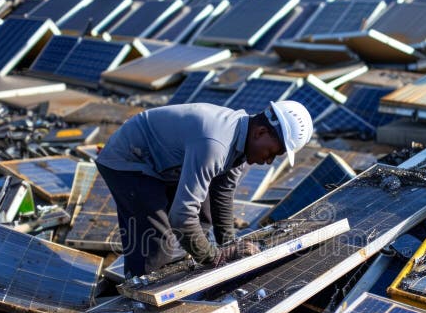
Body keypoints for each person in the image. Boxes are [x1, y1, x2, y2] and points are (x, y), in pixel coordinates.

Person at [95, 100, 314, 278]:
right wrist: (213, 258)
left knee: (203, 216)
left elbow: (222, 194)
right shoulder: (215, 145)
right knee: (155, 242)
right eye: (272, 152)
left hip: (165, 162)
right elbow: (181, 218)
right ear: (261, 132)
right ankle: (139, 295)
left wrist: (229, 246)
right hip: (130, 161)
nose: (269, 161)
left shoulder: (242, 140)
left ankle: (182, 267)